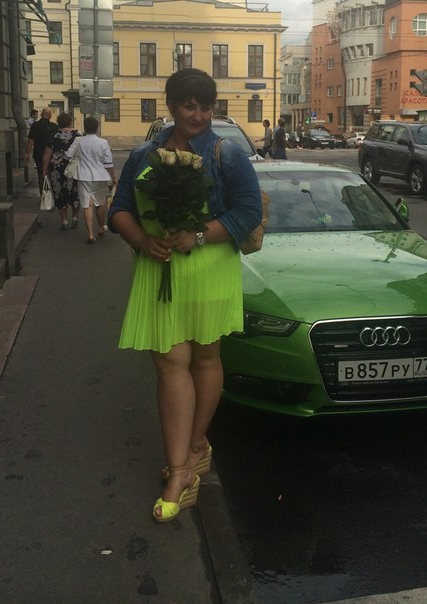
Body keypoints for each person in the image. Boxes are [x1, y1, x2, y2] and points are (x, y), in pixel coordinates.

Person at [108, 68, 261, 523]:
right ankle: (180, 471)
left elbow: (248, 211)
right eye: (189, 105)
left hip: (210, 267)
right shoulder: (144, 155)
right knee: (169, 363)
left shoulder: (225, 153)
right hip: (159, 266)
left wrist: (197, 234)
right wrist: (141, 240)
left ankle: (196, 446)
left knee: (206, 359)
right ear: (172, 106)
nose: (198, 115)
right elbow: (119, 210)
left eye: (205, 106)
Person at [65, 116, 117, 243]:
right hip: (101, 176)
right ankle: (101, 227)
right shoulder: (103, 143)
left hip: (83, 176)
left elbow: (68, 155)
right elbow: (108, 163)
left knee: (87, 205)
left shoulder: (78, 141)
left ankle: (91, 234)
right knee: (100, 203)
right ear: (97, 128)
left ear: (85, 128)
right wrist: (113, 177)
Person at [42, 112, 81, 230]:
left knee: (59, 192)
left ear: (58, 123)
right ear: (70, 122)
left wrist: (45, 169)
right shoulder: (78, 134)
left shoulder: (53, 135)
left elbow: (47, 153)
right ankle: (75, 216)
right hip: (74, 167)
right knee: (75, 192)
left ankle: (64, 220)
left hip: (57, 168)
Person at [25, 108, 58, 194]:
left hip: (38, 154)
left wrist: (27, 153)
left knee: (41, 174)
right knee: (51, 174)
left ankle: (43, 195)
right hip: (51, 155)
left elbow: (31, 141)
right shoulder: (54, 126)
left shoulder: (35, 125)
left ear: (41, 115)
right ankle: (52, 194)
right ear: (50, 116)